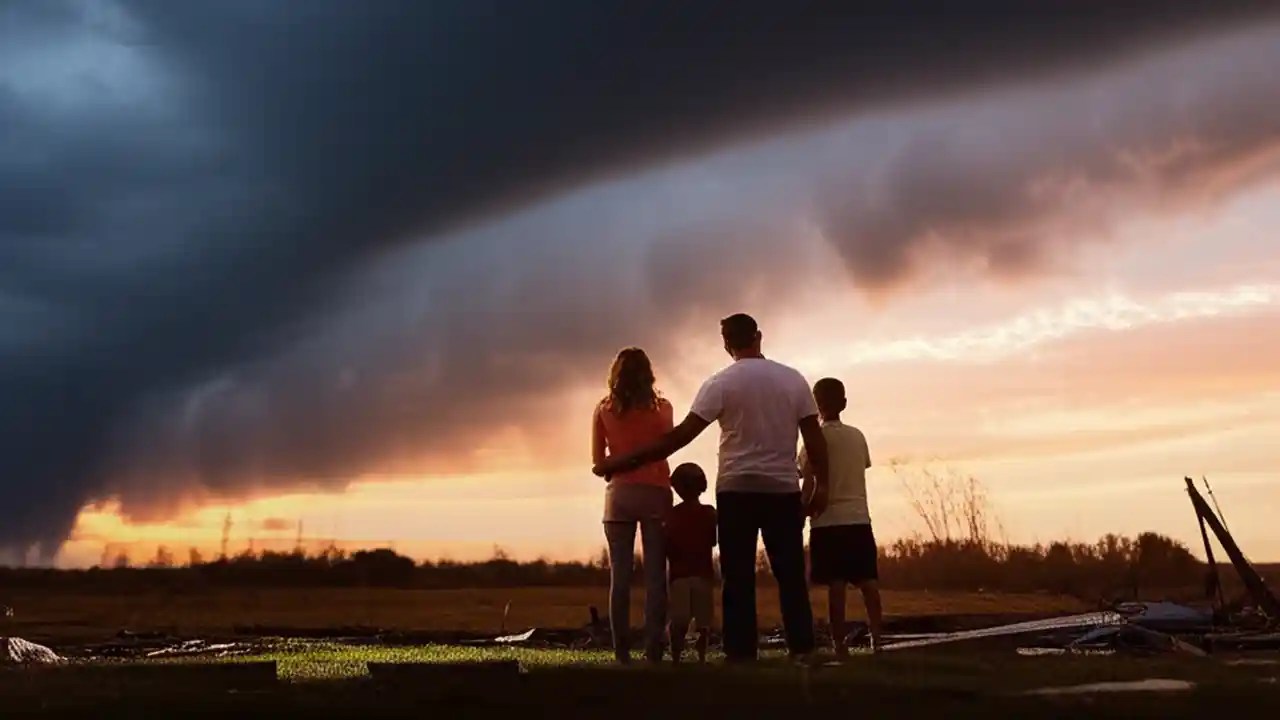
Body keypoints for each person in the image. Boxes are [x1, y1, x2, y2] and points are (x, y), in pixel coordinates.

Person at [593, 313, 829, 662]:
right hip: (782, 488)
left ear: (726, 344)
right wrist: (820, 484)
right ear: (758, 337)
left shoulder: (720, 383)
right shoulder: (793, 380)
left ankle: (740, 653)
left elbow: (678, 438)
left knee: (737, 576)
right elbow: (814, 438)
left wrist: (618, 463)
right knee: (790, 572)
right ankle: (802, 648)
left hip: (736, 489)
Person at [591, 347, 674, 664]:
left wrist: (619, 463)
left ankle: (621, 651)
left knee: (620, 579)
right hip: (655, 492)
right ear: (649, 374)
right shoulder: (663, 408)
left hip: (620, 496)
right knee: (656, 577)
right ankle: (654, 648)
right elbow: (666, 447)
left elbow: (599, 463)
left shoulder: (603, 409)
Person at [800, 377, 883, 656]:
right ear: (844, 403)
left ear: (815, 404)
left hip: (827, 521)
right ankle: (877, 639)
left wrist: (802, 511)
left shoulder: (814, 439)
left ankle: (839, 644)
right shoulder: (858, 436)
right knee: (868, 582)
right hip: (859, 518)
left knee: (836, 585)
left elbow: (808, 480)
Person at [664, 462, 717, 664]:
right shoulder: (709, 513)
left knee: (680, 620)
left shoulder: (671, 515)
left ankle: (676, 656)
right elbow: (713, 540)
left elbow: (667, 546)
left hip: (679, 575)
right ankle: (701, 657)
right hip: (702, 573)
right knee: (703, 621)